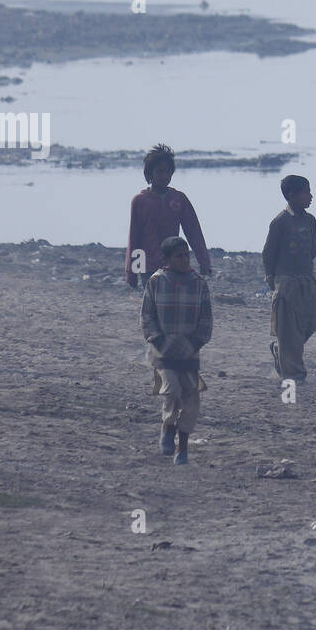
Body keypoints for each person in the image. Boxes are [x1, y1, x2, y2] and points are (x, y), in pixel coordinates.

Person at [141, 236, 213, 465]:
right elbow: (147, 315)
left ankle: (182, 448)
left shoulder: (198, 283)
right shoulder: (156, 281)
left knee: (191, 401)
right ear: (167, 259)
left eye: (186, 255)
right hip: (163, 352)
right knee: (171, 391)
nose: (184, 260)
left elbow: (206, 319)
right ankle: (167, 426)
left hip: (189, 352)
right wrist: (158, 340)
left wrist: (196, 342)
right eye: (178, 256)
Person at [126, 143, 211, 289]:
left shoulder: (179, 199)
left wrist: (204, 261)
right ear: (149, 174)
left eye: (167, 172)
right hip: (148, 266)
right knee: (152, 304)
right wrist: (132, 271)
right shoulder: (140, 201)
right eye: (159, 172)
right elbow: (134, 239)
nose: (164, 176)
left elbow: (193, 231)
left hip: (173, 264)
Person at [261, 175, 316, 382]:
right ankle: (294, 374)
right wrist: (270, 275)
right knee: (288, 327)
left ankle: (280, 350)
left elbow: (312, 250)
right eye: (306, 192)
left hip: (306, 278)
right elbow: (269, 252)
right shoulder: (280, 222)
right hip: (286, 281)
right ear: (291, 195)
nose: (310, 196)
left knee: (308, 324)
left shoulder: (310, 220)